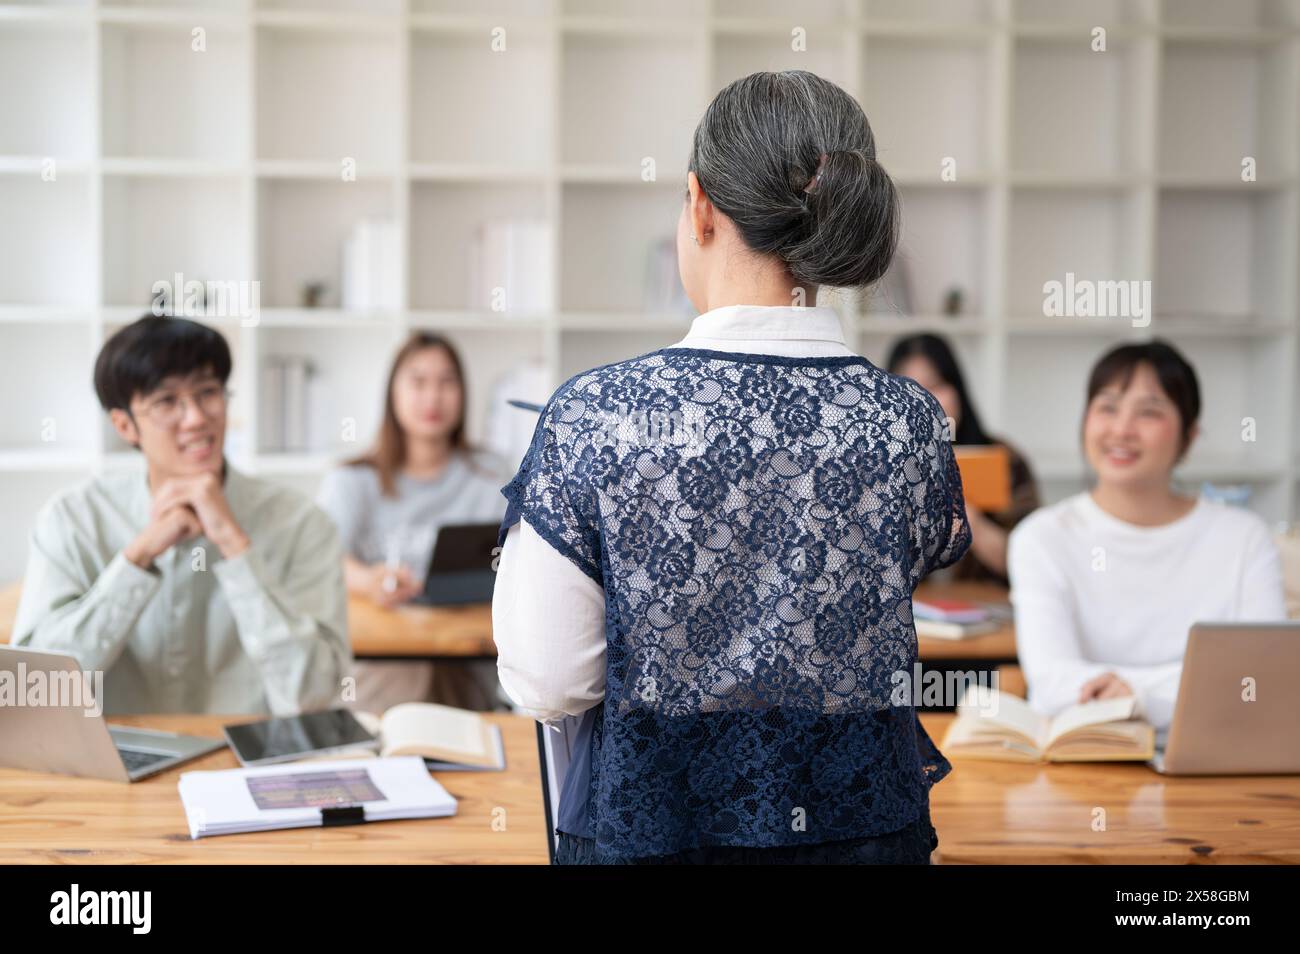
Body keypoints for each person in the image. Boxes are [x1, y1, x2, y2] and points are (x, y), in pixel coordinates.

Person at [492, 70, 970, 864]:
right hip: (863, 837)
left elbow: (551, 683)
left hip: (655, 835)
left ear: (700, 205)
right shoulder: (909, 421)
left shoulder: (596, 416)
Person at [12, 315, 350, 715]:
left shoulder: (302, 522)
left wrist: (235, 548)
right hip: (112, 766)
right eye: (166, 401)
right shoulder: (73, 519)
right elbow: (33, 696)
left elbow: (316, 698)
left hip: (249, 764)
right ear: (125, 425)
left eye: (208, 392)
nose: (195, 419)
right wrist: (136, 559)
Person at [1008, 340, 1286, 731]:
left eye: (1149, 413)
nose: (1122, 429)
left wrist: (1135, 695)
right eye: (1107, 407)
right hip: (1086, 759)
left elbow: (1265, 679)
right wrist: (1188, 688)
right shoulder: (1042, 537)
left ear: (1188, 436)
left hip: (1216, 757)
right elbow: (1053, 684)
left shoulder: (1244, 538)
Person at [316, 332, 510, 713]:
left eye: (446, 381)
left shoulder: (492, 473)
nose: (433, 397)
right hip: (387, 661)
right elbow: (322, 557)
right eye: (418, 382)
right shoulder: (352, 480)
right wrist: (371, 582)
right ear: (393, 392)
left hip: (468, 655)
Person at [888, 333, 1038, 583]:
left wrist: (969, 519)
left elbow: (1035, 565)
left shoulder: (1005, 459)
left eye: (934, 385)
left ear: (957, 390)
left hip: (988, 610)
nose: (923, 400)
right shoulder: (875, 464)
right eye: (907, 388)